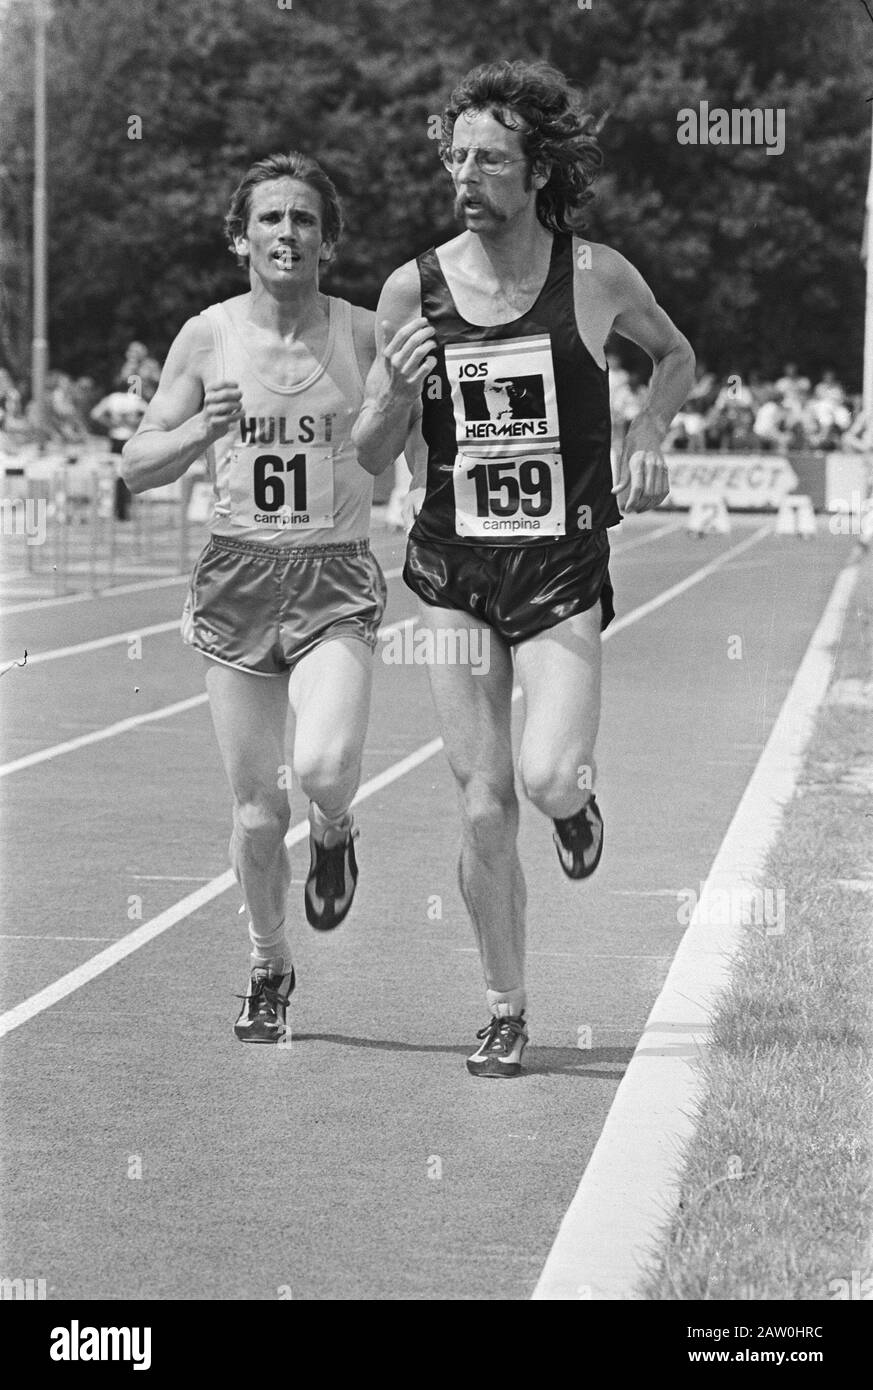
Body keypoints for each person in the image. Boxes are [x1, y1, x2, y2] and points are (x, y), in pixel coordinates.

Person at [352, 60, 695, 1078]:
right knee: (480, 799)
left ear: (537, 171)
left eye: (491, 159)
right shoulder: (410, 288)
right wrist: (394, 397)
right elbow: (372, 456)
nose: (467, 175)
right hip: (455, 569)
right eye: (456, 156)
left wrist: (649, 424)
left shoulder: (594, 277)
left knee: (547, 775)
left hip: (559, 564)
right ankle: (505, 1006)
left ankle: (575, 803)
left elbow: (674, 355)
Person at [122, 152, 385, 1044]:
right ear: (241, 238)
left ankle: (339, 826)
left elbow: (413, 443)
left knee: (321, 768)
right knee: (255, 812)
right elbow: (136, 464)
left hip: (334, 570)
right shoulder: (206, 337)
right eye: (270, 218)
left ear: (328, 241)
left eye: (304, 219)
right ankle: (269, 965)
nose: (287, 233)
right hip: (238, 576)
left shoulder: (361, 333)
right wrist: (202, 428)